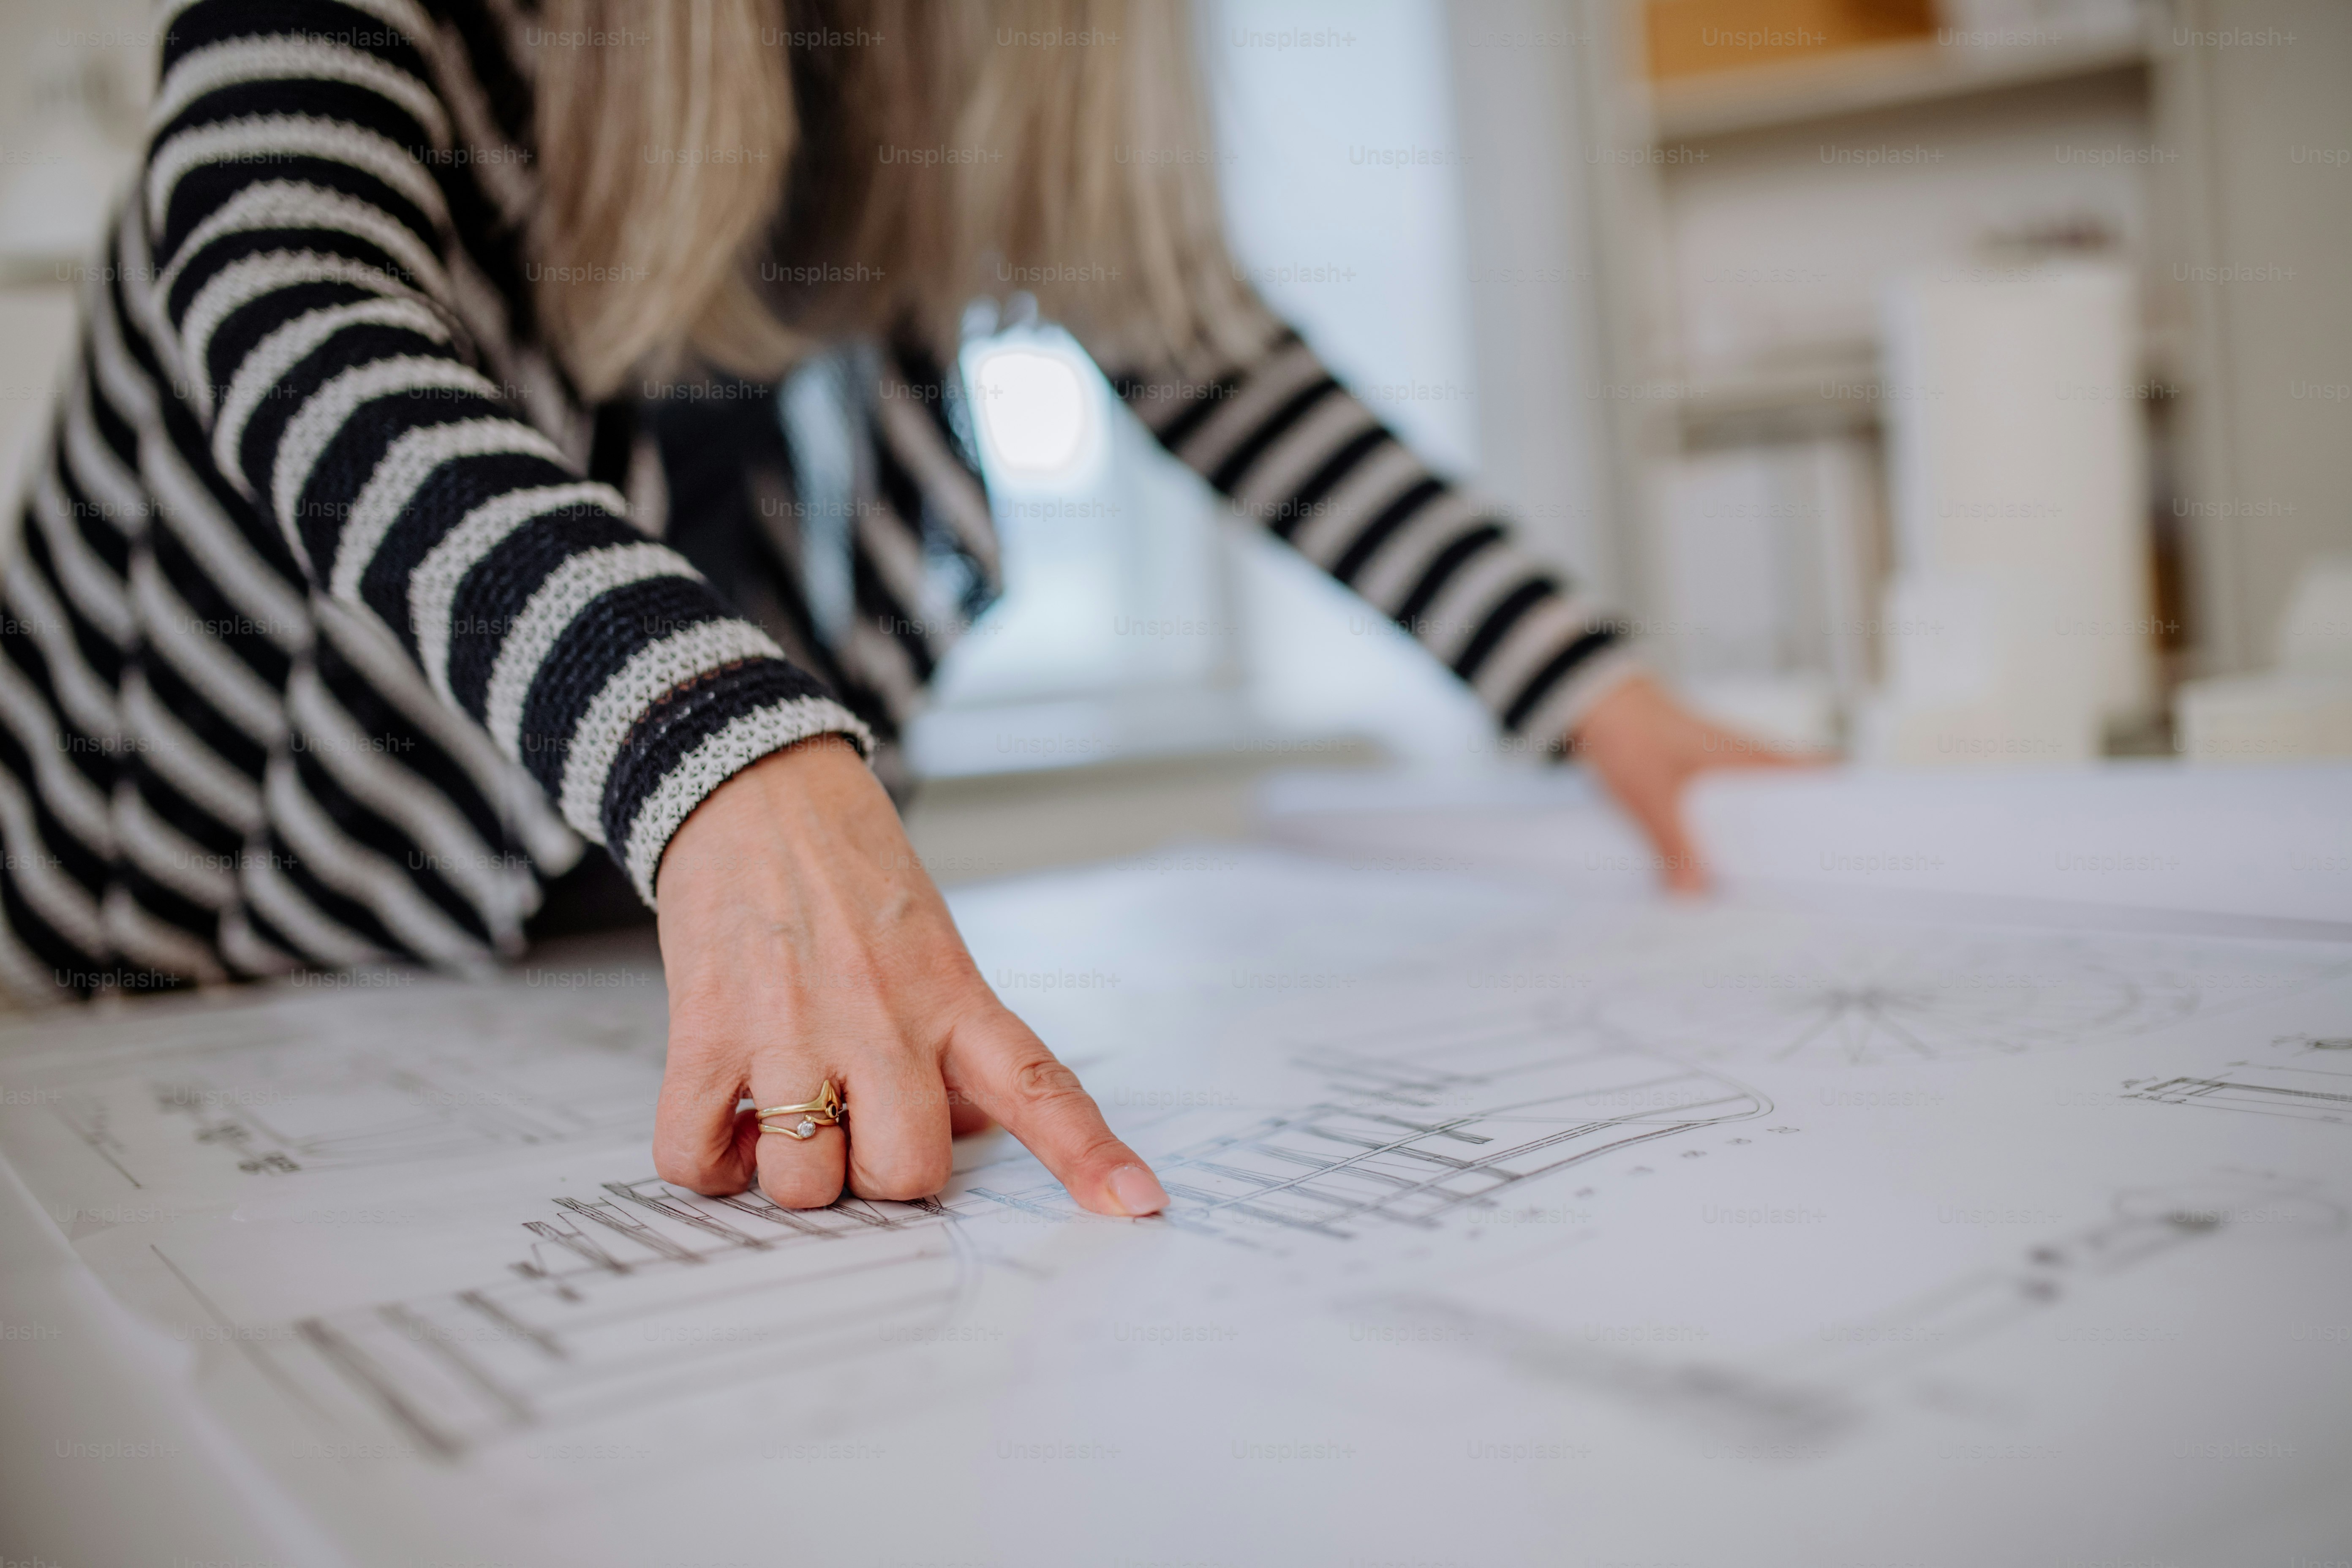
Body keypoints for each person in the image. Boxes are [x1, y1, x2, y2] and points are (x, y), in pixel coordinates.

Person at [0, 0, 1791, 1219]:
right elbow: (283, 283)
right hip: (176, 941)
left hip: (564, 970)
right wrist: (714, 747)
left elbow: (1215, 358)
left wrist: (1593, 694)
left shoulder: (977, 51)